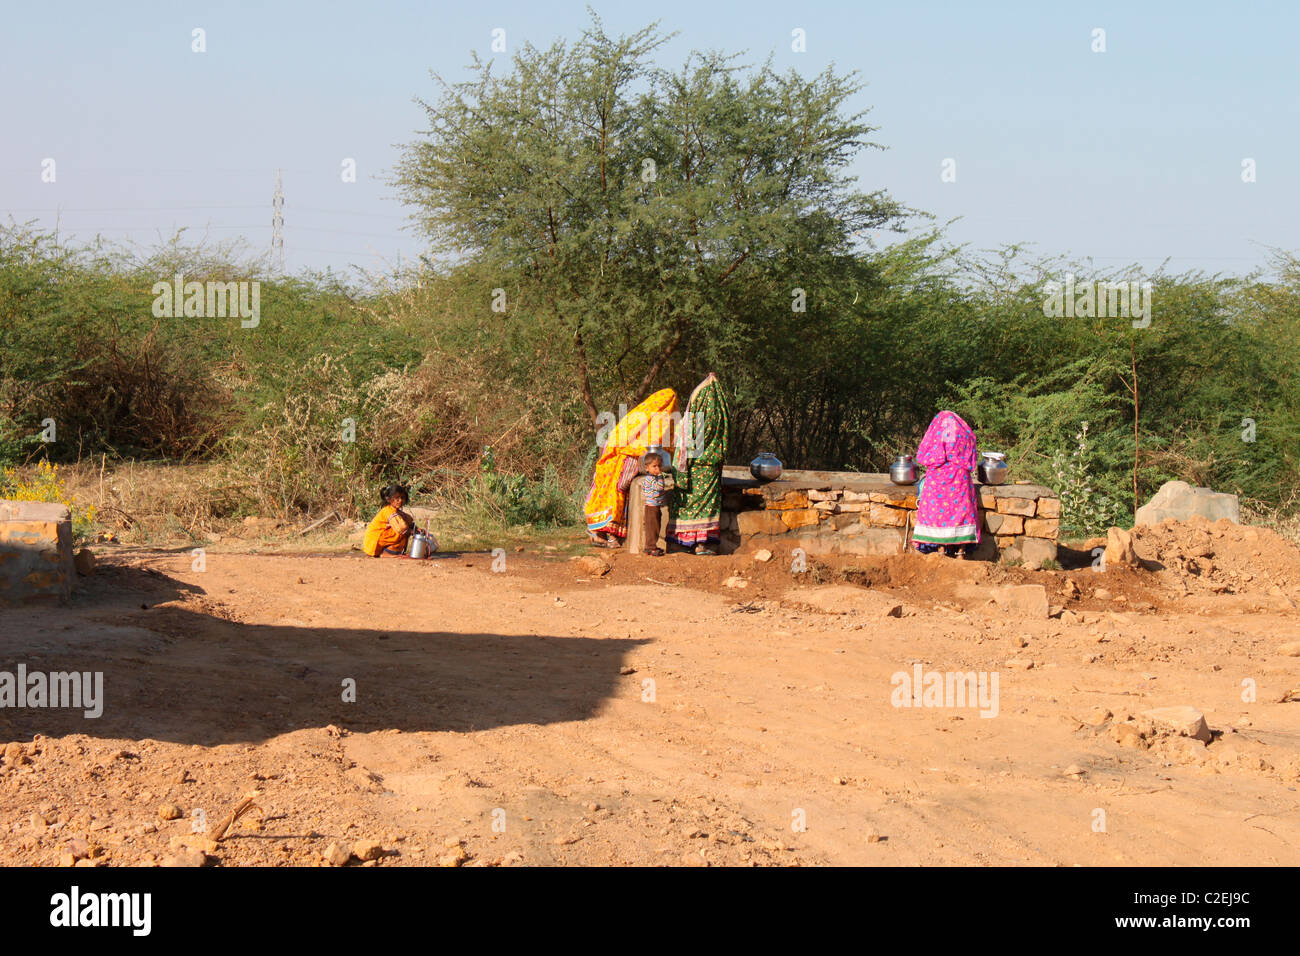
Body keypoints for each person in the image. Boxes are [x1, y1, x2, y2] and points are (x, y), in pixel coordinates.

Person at [583, 388, 678, 548]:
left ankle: (598, 533)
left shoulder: (642, 413)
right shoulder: (657, 417)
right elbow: (656, 443)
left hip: (613, 456)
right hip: (621, 457)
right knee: (618, 492)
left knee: (609, 491)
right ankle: (610, 534)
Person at [669, 373, 730, 555]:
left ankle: (682, 542)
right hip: (710, 469)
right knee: (706, 507)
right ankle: (702, 544)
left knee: (687, 504)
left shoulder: (694, 419)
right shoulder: (722, 416)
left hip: (693, 468)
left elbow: (685, 443)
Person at [912, 410, 980, 557]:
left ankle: (941, 549)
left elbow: (924, 454)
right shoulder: (964, 434)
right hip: (959, 476)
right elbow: (972, 451)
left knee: (937, 513)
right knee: (962, 512)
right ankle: (961, 551)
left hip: (937, 476)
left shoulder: (935, 433)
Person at [363, 484, 417, 557]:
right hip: (374, 543)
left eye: (402, 498)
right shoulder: (388, 511)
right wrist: (411, 531)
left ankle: (392, 551)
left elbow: (409, 519)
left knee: (406, 526)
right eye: (397, 498)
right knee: (402, 529)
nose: (400, 500)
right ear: (389, 499)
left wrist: (415, 528)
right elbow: (401, 528)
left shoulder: (396, 511)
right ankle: (387, 552)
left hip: (377, 541)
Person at [640, 452, 674, 556]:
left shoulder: (654, 478)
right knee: (652, 527)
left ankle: (652, 546)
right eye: (654, 466)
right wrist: (660, 477)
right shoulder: (650, 479)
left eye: (659, 466)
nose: (657, 468)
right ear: (647, 468)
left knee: (656, 527)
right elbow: (659, 487)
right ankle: (650, 547)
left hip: (656, 506)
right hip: (651, 507)